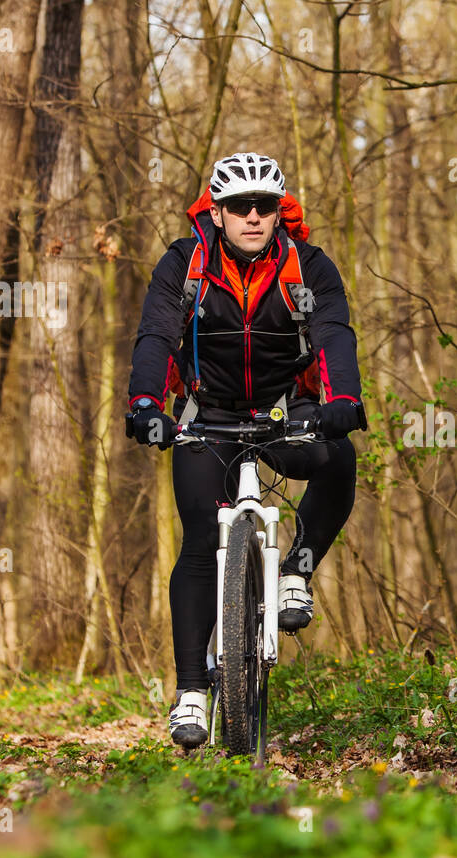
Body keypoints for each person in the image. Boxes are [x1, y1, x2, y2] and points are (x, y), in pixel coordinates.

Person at [125, 151, 366, 749]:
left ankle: (293, 574)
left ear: (280, 211)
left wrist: (342, 400)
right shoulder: (186, 265)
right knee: (203, 541)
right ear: (218, 209)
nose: (253, 216)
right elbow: (157, 334)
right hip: (208, 416)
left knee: (338, 461)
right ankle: (190, 693)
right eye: (240, 206)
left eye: (265, 206)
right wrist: (146, 406)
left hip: (286, 410)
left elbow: (335, 333)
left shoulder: (308, 268)